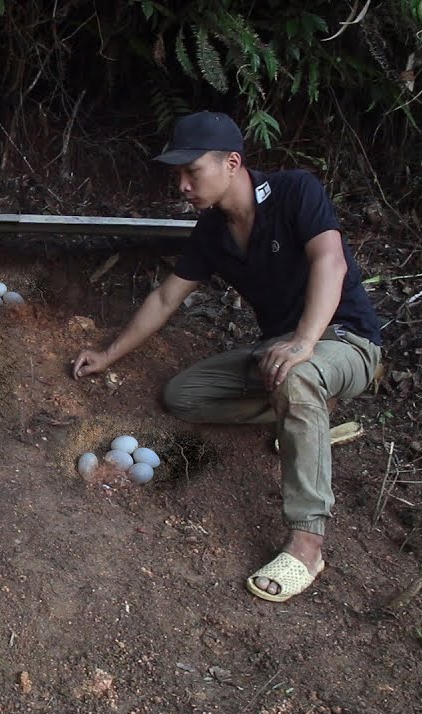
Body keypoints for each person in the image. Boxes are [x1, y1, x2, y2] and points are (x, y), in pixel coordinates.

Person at [71, 111, 382, 602]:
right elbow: (165, 298)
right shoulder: (212, 232)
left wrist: (304, 341)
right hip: (281, 347)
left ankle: (307, 543)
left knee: (299, 378)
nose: (182, 184)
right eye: (177, 174)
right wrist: (109, 354)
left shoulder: (295, 191)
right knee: (183, 396)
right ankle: (307, 418)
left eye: (192, 171)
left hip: (344, 341)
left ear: (232, 163)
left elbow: (331, 260)